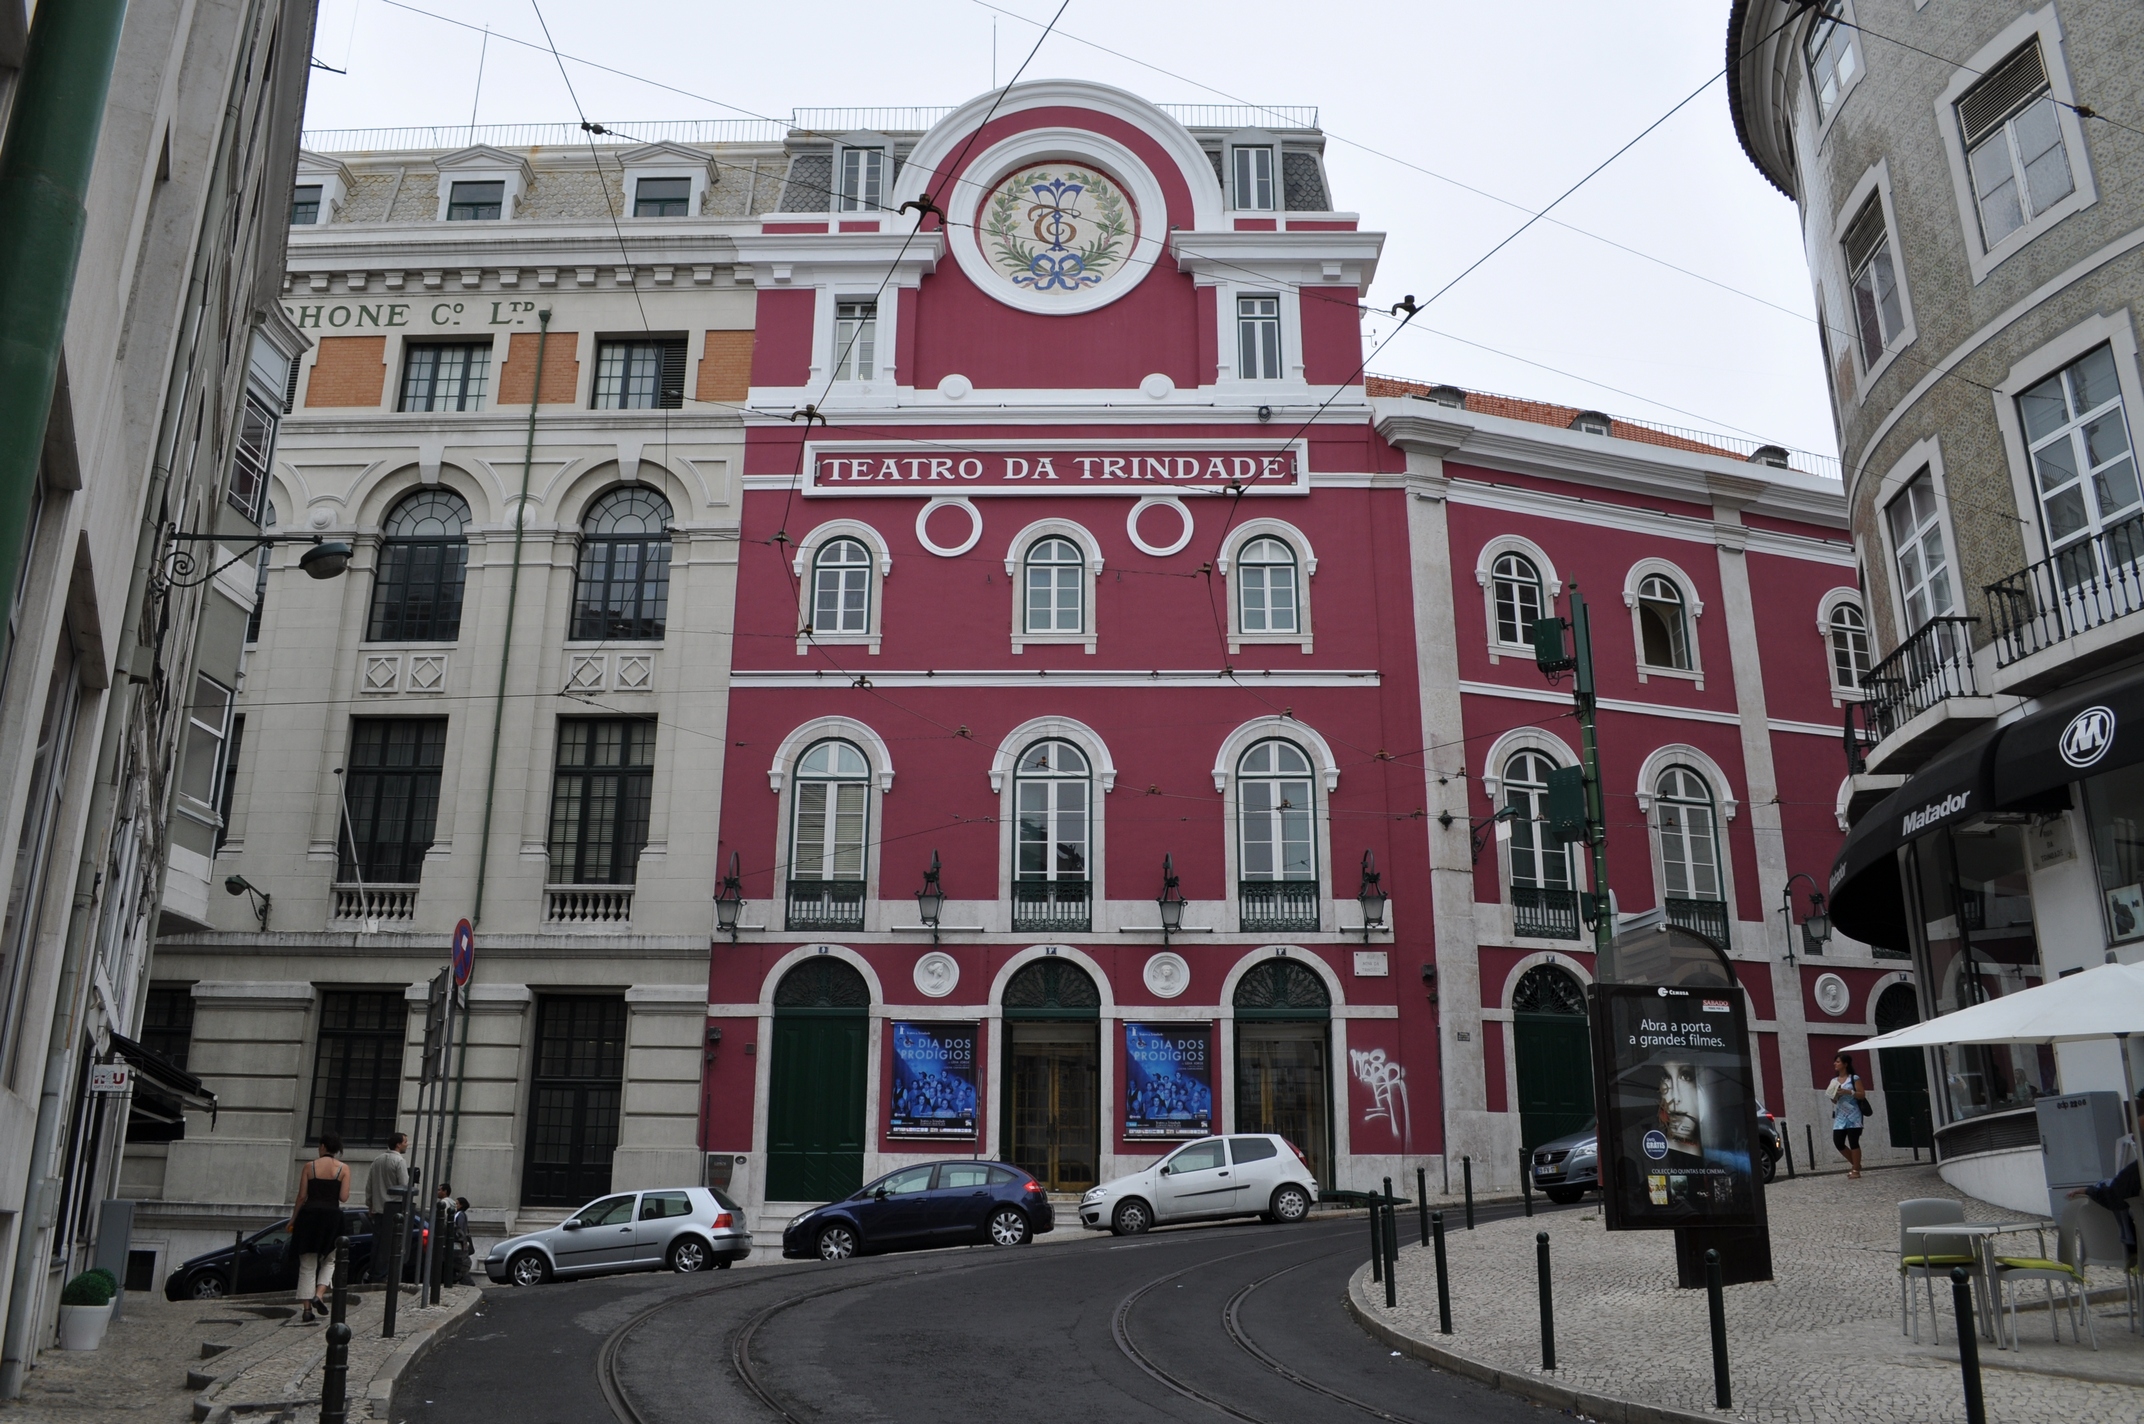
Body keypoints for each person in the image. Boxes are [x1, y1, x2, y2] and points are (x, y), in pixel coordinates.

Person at [288, 1135, 350, 1323]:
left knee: (307, 1262)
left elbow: (301, 1196)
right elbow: (344, 1197)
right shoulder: (343, 1169)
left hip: (309, 1216)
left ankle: (307, 1310)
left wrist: (293, 1219)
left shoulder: (309, 1167)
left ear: (322, 1147)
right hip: (332, 1216)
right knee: (331, 1259)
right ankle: (320, 1294)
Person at [364, 1132, 409, 1282]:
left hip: (378, 1208)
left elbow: (369, 1186)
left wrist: (370, 1204)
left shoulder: (377, 1160)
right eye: (405, 1142)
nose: (407, 1144)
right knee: (390, 1244)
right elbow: (405, 1186)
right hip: (394, 1207)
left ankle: (374, 1272)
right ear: (398, 1144)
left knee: (377, 1243)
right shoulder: (399, 1161)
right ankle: (382, 1274)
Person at [1826, 1053, 1867, 1179]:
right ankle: (1856, 1164)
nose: (1835, 1064)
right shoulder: (1834, 1081)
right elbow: (1833, 1100)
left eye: (1838, 1062)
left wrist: (1848, 1092)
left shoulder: (1854, 1078)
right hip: (1840, 1115)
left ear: (1845, 1064)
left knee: (1853, 1141)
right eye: (1835, 1061)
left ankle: (1855, 1169)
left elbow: (1862, 1094)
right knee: (1838, 1142)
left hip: (1853, 1114)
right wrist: (1835, 1096)